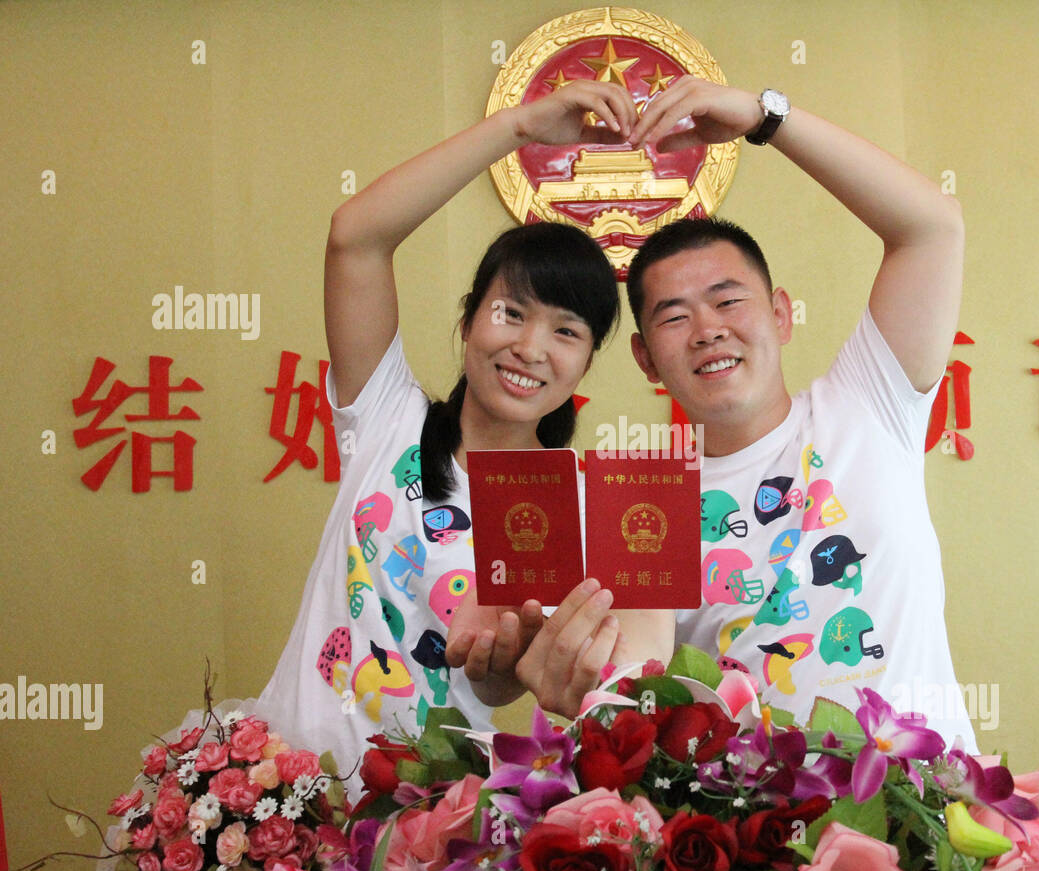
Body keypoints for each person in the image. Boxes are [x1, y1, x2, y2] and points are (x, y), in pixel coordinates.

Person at [256, 80, 668, 795]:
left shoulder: (582, 506)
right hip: (287, 793)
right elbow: (356, 234)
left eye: (566, 331)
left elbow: (527, 686)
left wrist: (511, 671)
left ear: (587, 360)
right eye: (511, 311)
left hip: (432, 826)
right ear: (469, 318)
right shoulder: (387, 418)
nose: (531, 348)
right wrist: (519, 126)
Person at [621, 77, 979, 749]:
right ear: (645, 359)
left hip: (936, 831)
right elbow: (633, 698)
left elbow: (932, 227)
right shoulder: (644, 515)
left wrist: (765, 118)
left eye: (729, 301)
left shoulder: (869, 407)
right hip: (766, 844)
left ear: (781, 315)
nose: (707, 329)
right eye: (674, 316)